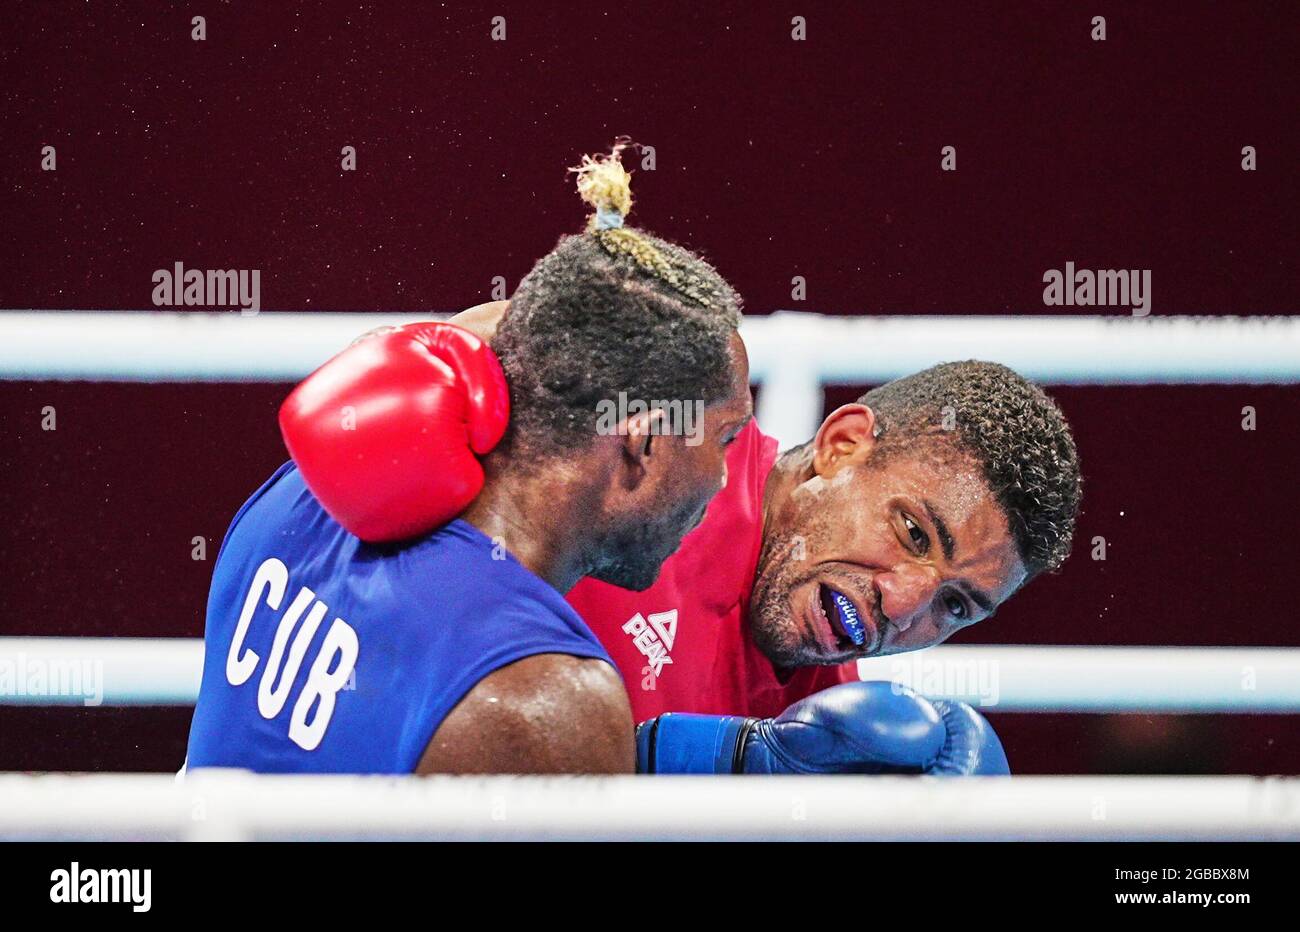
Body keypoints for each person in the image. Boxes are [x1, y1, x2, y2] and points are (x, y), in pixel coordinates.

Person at [254, 142, 1013, 776]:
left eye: (956, 606)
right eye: (913, 532)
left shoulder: (282, 513)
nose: (908, 602)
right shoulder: (543, 693)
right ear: (643, 439)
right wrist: (714, 763)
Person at [185, 143, 749, 774]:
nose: (726, 477)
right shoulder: (545, 697)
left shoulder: (293, 502)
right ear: (642, 444)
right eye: (725, 439)